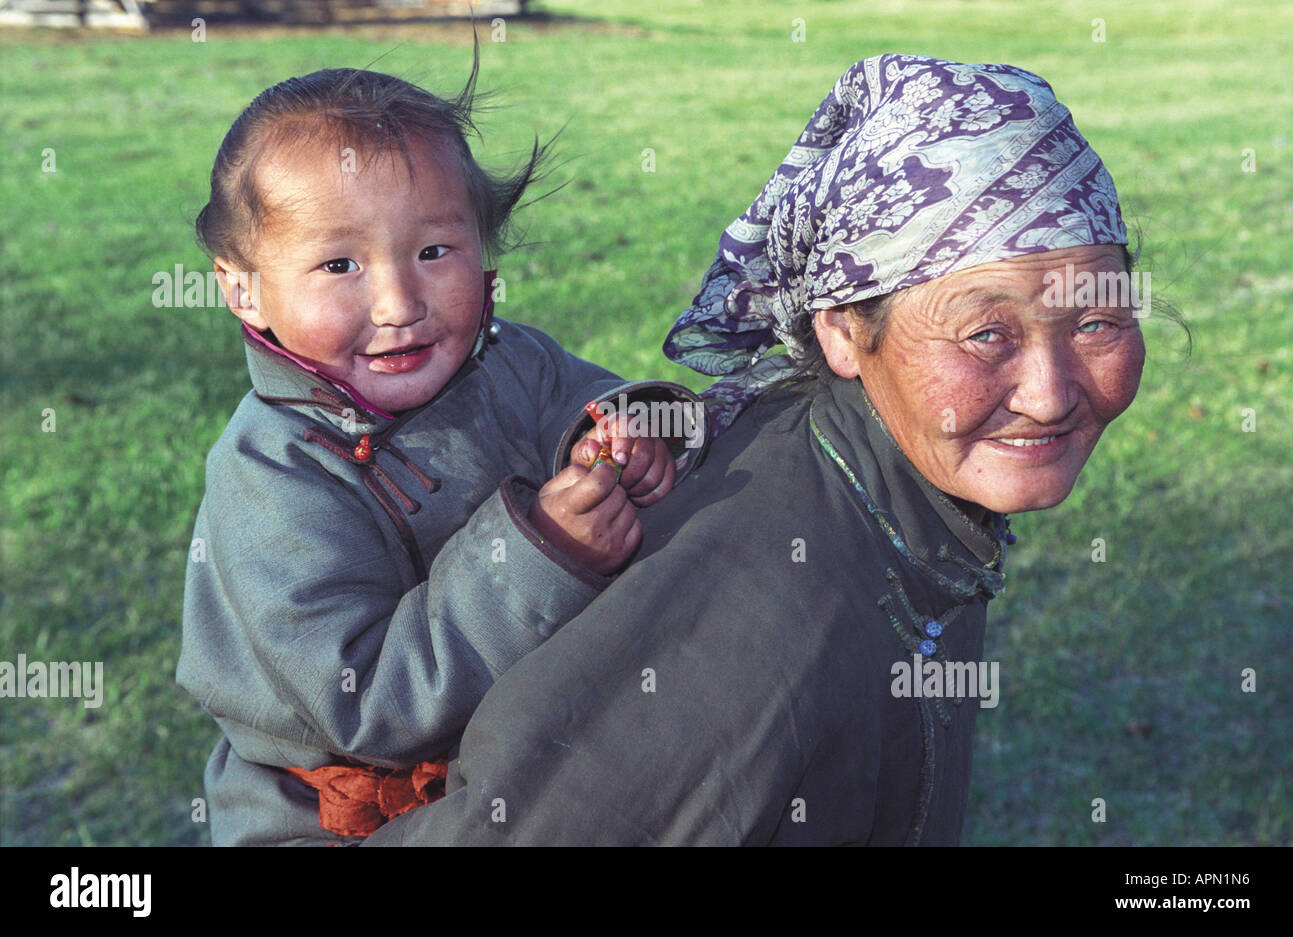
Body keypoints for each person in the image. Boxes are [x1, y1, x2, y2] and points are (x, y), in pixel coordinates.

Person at [361, 53, 1150, 845]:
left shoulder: (911, 497)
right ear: (841, 328)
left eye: (1095, 322)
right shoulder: (761, 619)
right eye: (985, 334)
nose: (1048, 394)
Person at [175, 64, 707, 846]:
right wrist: (545, 551)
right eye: (338, 265)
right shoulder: (271, 474)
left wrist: (630, 435)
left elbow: (582, 400)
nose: (398, 304)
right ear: (244, 290)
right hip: (337, 813)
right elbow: (367, 699)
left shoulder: (505, 359)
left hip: (504, 757)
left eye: (433, 250)